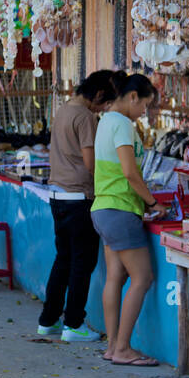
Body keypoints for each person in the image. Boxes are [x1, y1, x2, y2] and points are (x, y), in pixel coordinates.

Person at [38, 70, 118, 342]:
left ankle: (48, 320)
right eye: (105, 103)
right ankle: (73, 323)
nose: (105, 108)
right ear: (97, 95)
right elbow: (91, 162)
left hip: (58, 196)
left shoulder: (63, 110)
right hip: (79, 198)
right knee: (82, 263)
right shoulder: (85, 117)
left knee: (63, 260)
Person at [92, 72, 161, 366]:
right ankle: (122, 348)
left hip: (104, 207)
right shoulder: (121, 123)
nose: (144, 112)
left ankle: (113, 347)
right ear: (133, 97)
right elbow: (130, 173)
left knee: (116, 277)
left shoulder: (106, 120)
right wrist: (153, 202)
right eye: (144, 105)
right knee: (142, 277)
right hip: (120, 208)